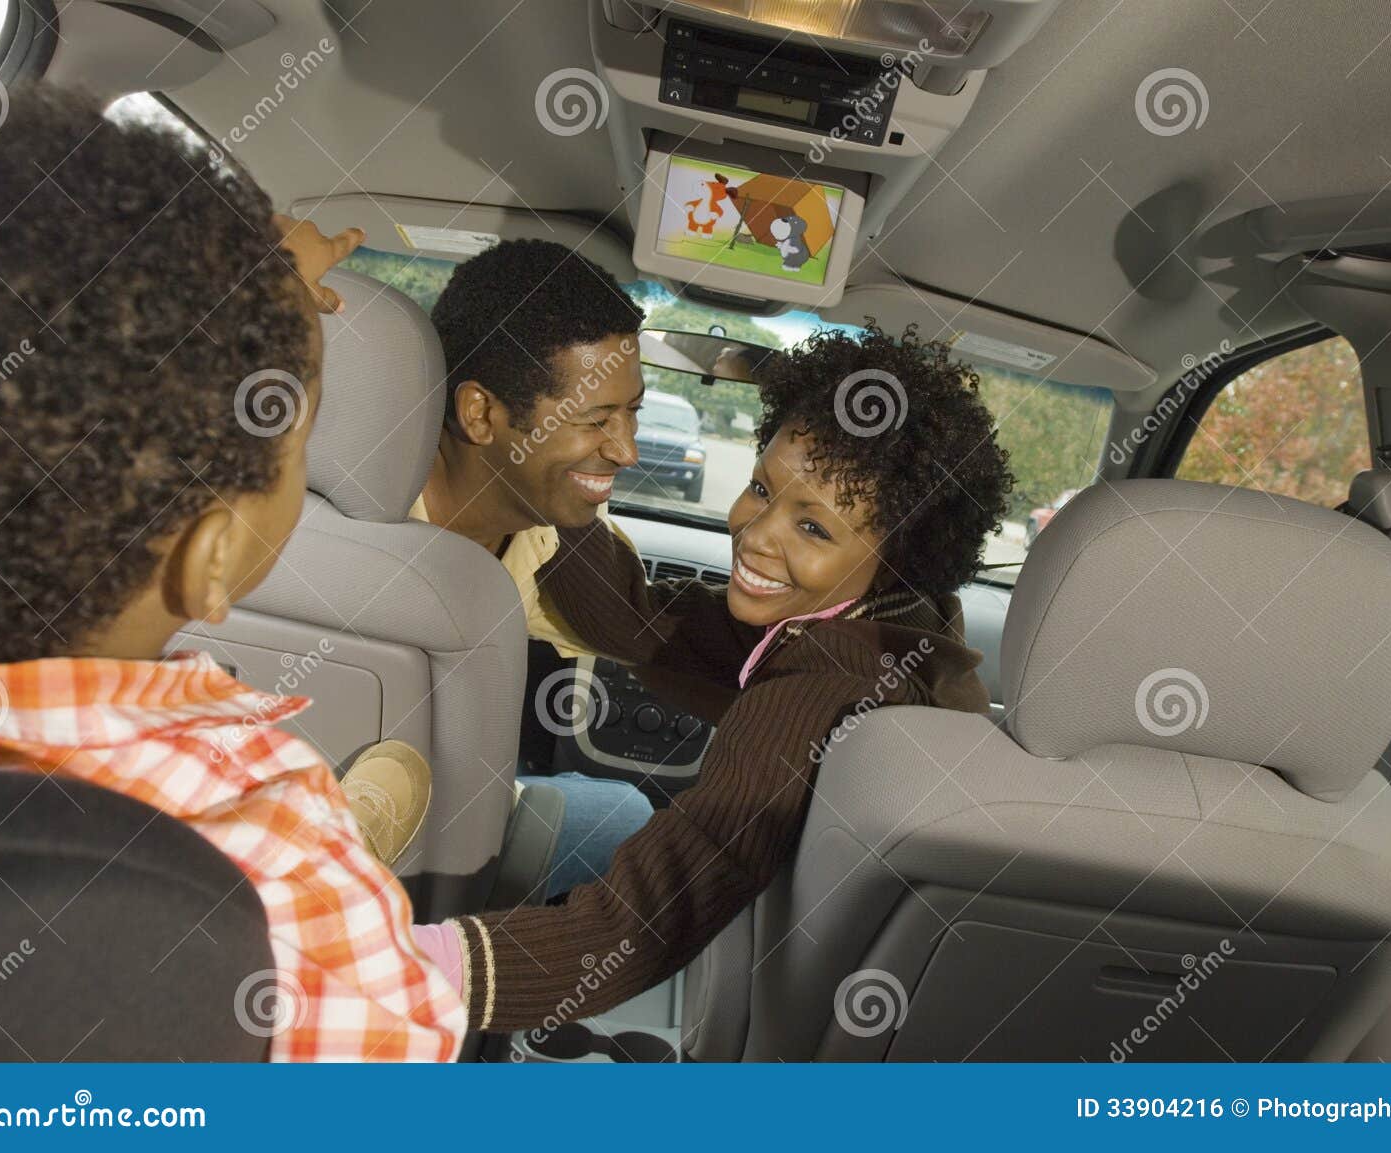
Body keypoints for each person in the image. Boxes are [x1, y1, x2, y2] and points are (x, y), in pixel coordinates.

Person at [0, 83, 469, 1059]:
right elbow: (401, 1049)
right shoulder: (263, 843)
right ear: (211, 559)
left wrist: (256, 304)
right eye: (291, 441)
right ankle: (370, 819)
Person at [434, 323, 1016, 1031]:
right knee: (614, 809)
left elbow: (648, 916)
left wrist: (410, 965)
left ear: (898, 556)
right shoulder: (909, 623)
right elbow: (645, 625)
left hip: (762, 1012)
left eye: (814, 529)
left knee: (603, 810)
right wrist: (555, 484)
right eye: (761, 487)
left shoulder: (828, 680)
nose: (756, 532)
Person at [415, 239, 657, 897]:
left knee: (623, 813)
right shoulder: (327, 508)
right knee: (628, 813)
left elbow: (651, 634)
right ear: (481, 414)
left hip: (430, 823)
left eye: (633, 410)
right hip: (401, 835)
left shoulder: (559, 549)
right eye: (596, 419)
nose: (627, 450)